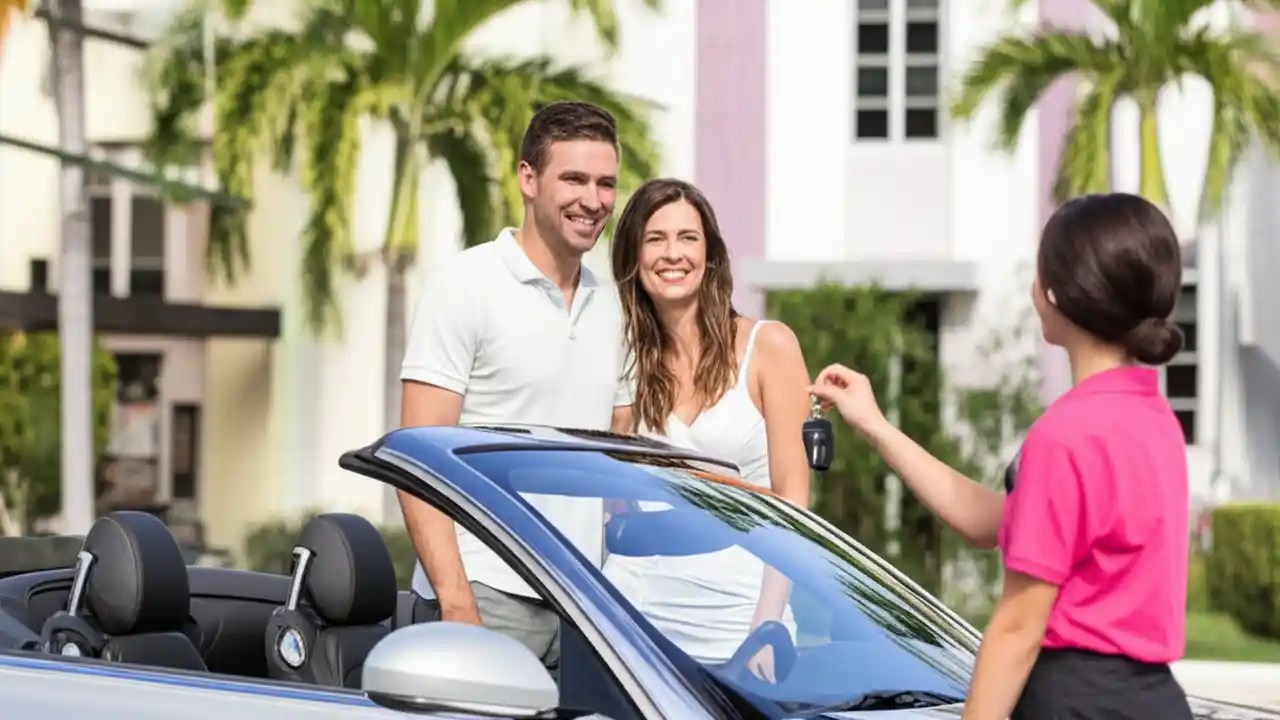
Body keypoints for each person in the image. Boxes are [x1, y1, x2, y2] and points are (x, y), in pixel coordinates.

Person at [809, 192, 1193, 719]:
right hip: (1152, 700)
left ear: (1054, 293)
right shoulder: (1155, 422)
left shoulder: (1067, 436)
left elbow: (1017, 629)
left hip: (1074, 702)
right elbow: (991, 521)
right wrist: (875, 425)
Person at [396, 101, 634, 672]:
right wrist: (457, 603)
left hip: (584, 605)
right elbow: (417, 459)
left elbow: (620, 454)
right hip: (486, 593)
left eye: (606, 183)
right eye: (573, 179)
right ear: (528, 178)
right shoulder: (465, 284)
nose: (593, 200)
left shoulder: (613, 303)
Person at [601, 178, 813, 682]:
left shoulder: (769, 346)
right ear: (633, 257)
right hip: (635, 611)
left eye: (687, 238)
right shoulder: (622, 356)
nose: (672, 254)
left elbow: (793, 498)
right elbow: (608, 487)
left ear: (710, 254)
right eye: (655, 239)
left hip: (741, 611)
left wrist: (767, 621)